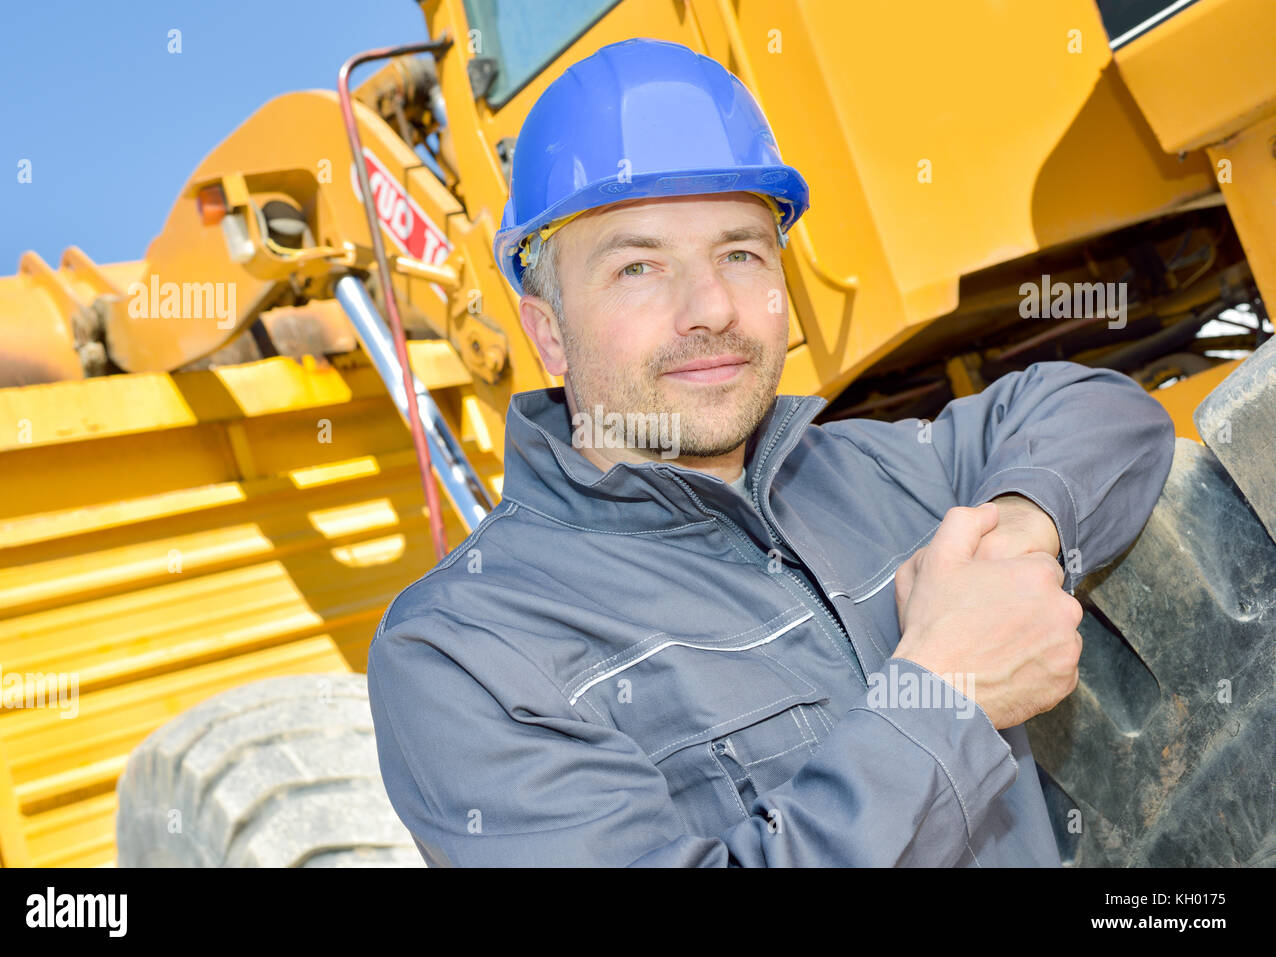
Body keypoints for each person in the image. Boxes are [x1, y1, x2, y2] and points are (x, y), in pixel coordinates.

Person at [367, 37, 1176, 866]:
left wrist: (1016, 533)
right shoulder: (463, 652)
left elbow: (1101, 411)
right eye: (640, 266)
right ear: (548, 332)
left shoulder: (877, 471)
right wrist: (946, 695)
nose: (712, 305)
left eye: (741, 252)